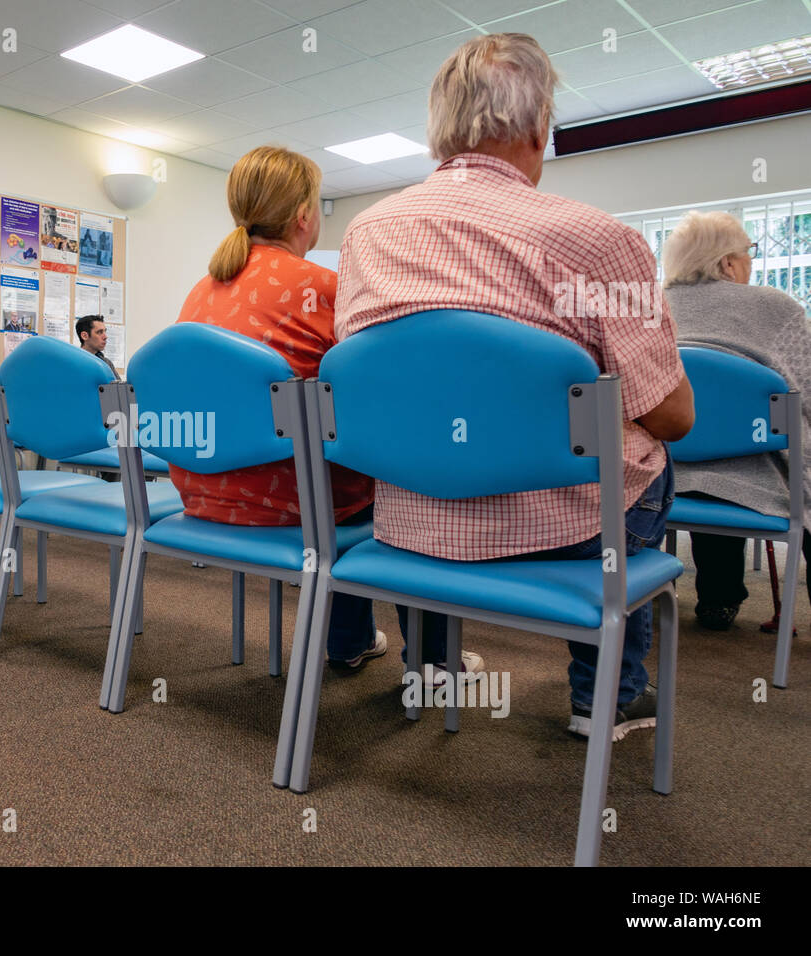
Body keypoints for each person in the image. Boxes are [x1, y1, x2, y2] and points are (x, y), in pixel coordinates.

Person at [336, 33, 695, 738]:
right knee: (652, 461)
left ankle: (431, 664)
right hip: (564, 527)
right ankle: (606, 696)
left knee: (429, 454)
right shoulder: (597, 238)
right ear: (539, 128)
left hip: (417, 517)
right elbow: (672, 414)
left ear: (439, 131)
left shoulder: (364, 235)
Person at [170, 145, 387, 672]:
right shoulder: (325, 287)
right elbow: (374, 387)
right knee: (401, 485)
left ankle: (353, 639)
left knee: (331, 463)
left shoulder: (199, 293)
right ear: (304, 216)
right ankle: (433, 666)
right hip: (294, 503)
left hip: (202, 491)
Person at [662, 210, 811, 630]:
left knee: (710, 456)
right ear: (728, 262)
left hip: (667, 472)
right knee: (748, 458)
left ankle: (717, 599)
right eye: (749, 252)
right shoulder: (774, 307)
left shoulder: (652, 308)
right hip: (756, 477)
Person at [76, 314, 119, 380]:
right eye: (99, 332)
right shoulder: (74, 362)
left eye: (105, 331)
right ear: (84, 336)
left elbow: (119, 389)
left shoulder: (107, 363)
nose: (105, 337)